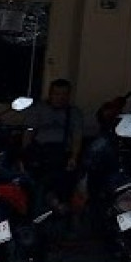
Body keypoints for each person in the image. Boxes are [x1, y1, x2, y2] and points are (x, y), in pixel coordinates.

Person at [24, 78, 84, 214]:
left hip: (62, 152)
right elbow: (28, 132)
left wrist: (74, 157)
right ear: (50, 94)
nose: (60, 98)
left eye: (64, 94)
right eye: (57, 94)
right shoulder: (39, 109)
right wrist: (25, 153)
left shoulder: (74, 113)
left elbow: (77, 137)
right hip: (40, 151)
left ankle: (59, 205)